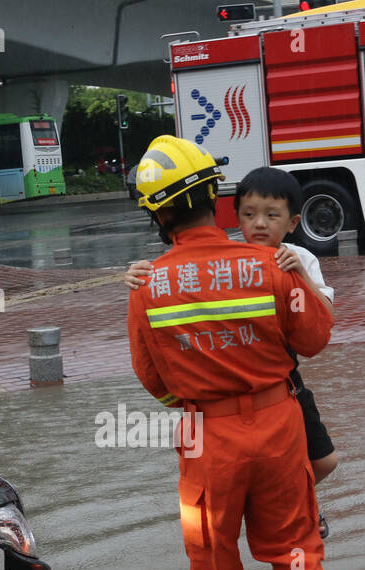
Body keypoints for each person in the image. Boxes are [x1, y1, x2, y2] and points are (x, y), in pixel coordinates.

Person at [126, 135, 355, 570]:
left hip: (207, 438)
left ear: (158, 214)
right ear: (214, 196)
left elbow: (152, 379)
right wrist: (298, 277)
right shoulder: (271, 264)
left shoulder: (146, 285)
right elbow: (317, 338)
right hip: (279, 425)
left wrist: (198, 400)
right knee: (296, 545)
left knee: (211, 551)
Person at [126, 166, 339, 537]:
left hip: (282, 387)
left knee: (325, 460)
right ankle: (282, 511)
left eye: (272, 216)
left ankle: (296, 505)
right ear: (233, 214)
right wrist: (140, 276)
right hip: (240, 398)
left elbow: (322, 324)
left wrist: (300, 278)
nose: (259, 224)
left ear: (292, 223)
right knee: (294, 548)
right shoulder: (223, 259)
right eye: (248, 214)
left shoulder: (297, 260)